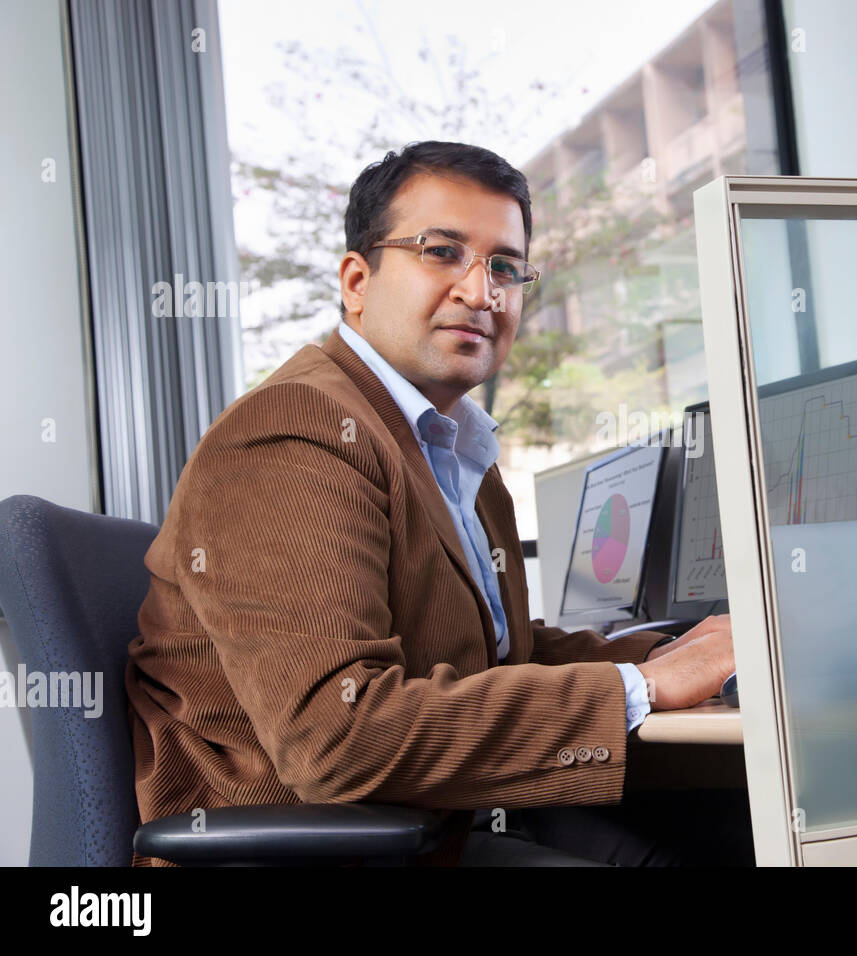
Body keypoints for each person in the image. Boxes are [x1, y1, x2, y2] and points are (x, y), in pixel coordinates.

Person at [124, 140, 742, 866]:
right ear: (357, 279)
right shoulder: (295, 430)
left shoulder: (451, 449)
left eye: (506, 267)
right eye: (442, 251)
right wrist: (640, 687)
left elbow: (497, 653)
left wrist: (690, 653)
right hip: (309, 851)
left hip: (430, 827)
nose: (483, 293)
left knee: (726, 827)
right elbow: (338, 737)